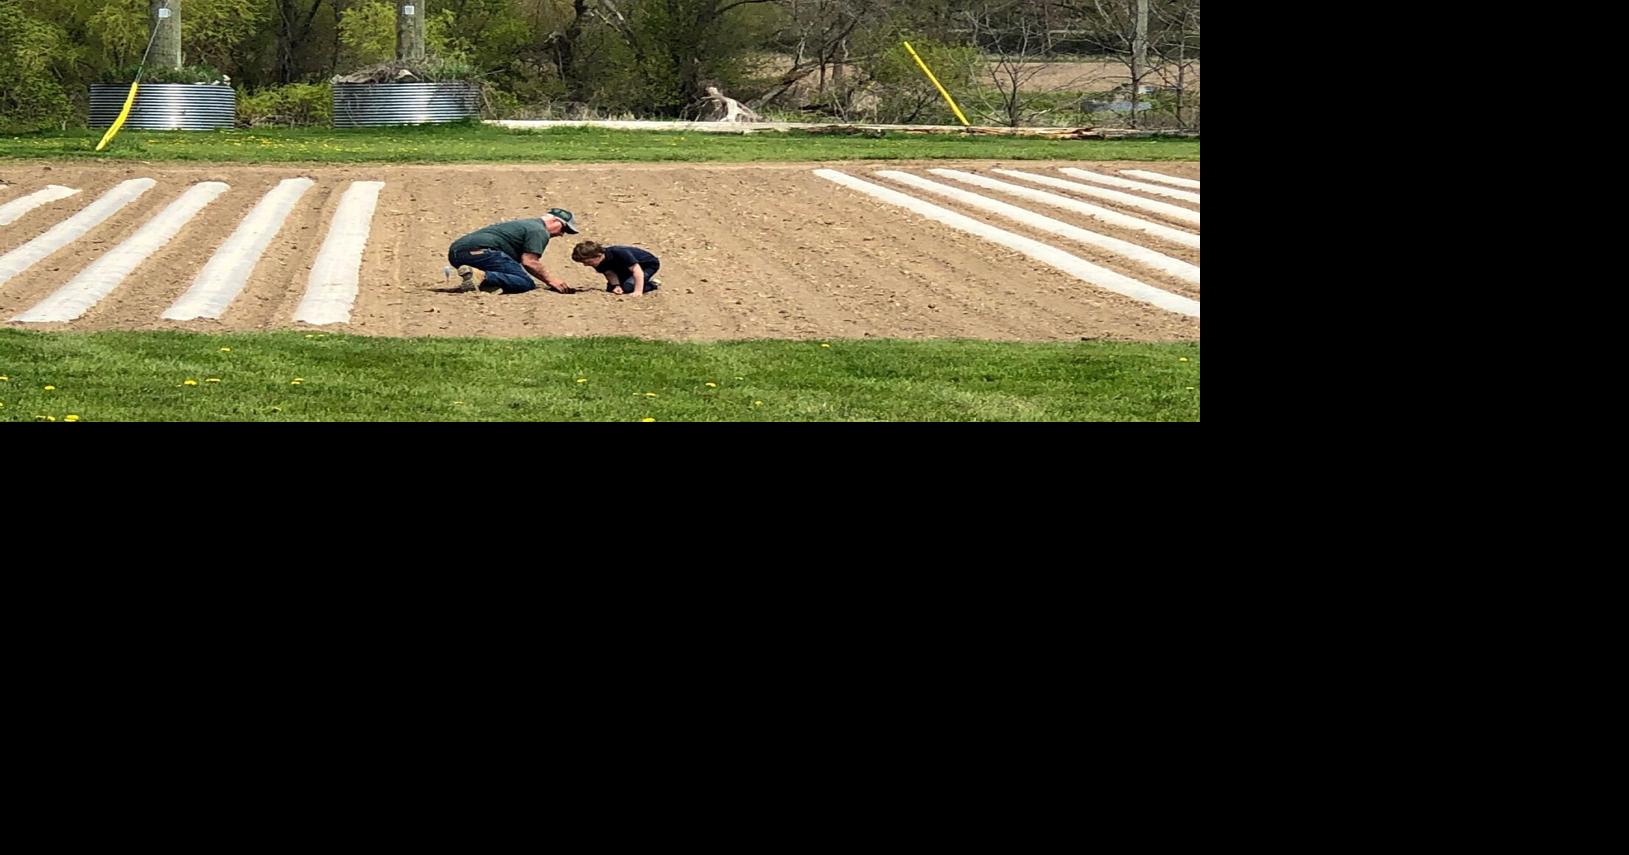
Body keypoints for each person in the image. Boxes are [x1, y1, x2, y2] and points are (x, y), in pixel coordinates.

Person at [446, 209, 579, 294]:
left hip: (456, 254)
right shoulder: (539, 230)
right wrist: (551, 281)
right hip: (482, 251)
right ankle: (483, 276)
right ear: (555, 221)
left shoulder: (527, 224)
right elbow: (529, 262)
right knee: (524, 282)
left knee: (510, 276)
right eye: (564, 229)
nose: (562, 234)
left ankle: (482, 281)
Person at [570, 241, 663, 296]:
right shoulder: (598, 263)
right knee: (611, 289)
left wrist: (638, 291)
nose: (586, 265)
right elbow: (609, 273)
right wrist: (616, 286)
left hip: (646, 265)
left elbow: (636, 270)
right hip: (623, 268)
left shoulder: (619, 252)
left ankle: (652, 284)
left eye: (588, 262)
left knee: (628, 287)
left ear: (598, 255)